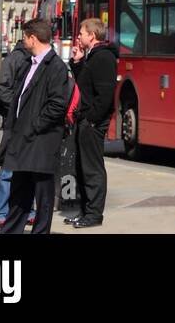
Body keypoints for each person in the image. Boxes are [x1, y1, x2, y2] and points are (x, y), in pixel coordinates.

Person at [0, 19, 73, 235]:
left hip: (40, 142)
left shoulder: (55, 66)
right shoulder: (30, 63)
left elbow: (57, 105)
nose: (23, 41)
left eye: (24, 37)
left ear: (32, 38)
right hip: (22, 140)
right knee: (19, 193)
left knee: (43, 196)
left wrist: (32, 126)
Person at [66, 18, 119, 228]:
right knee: (81, 168)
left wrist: (91, 120)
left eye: (81, 33)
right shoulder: (93, 56)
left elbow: (105, 96)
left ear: (92, 35)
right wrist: (78, 62)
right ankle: (85, 211)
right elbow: (84, 88)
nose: (78, 36)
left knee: (92, 169)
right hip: (85, 120)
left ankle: (94, 214)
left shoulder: (103, 57)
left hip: (92, 123)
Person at [0, 34, 34, 230]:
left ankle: (28, 211)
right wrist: (18, 110)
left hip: (30, 123)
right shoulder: (15, 58)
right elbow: (3, 90)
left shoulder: (38, 59)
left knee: (28, 169)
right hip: (15, 122)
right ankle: (0, 214)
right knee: (8, 170)